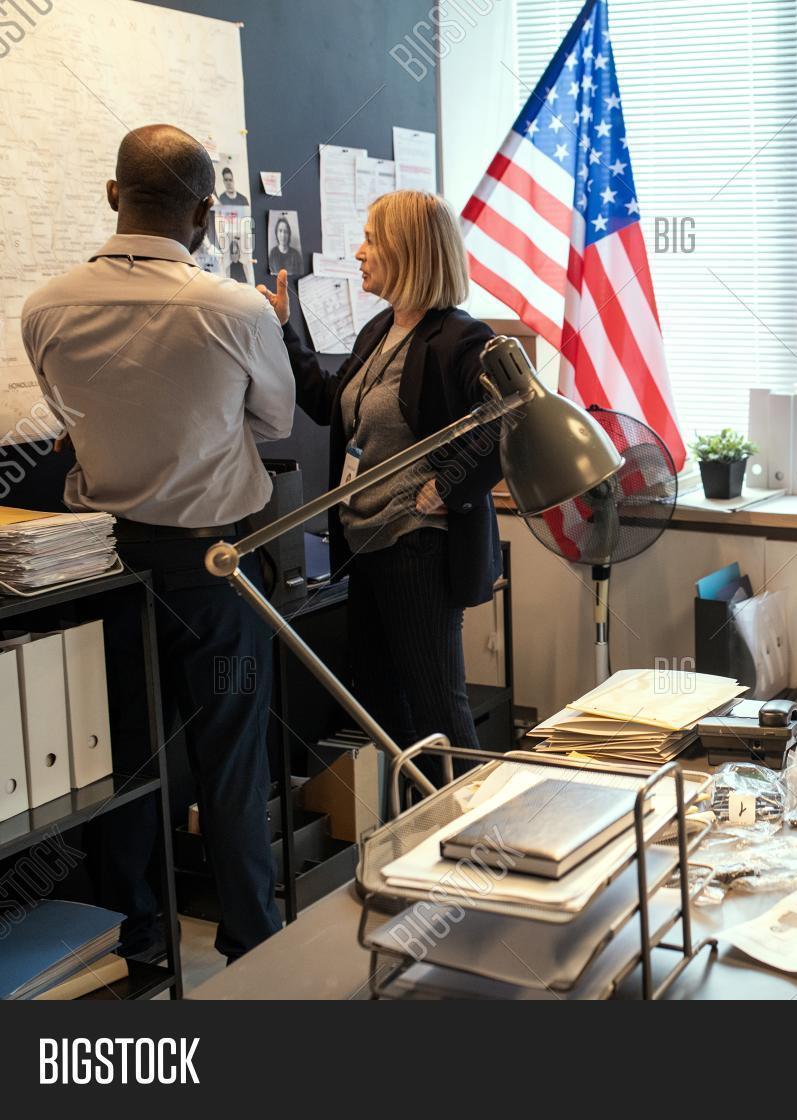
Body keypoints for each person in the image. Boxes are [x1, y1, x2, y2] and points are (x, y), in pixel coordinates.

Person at [21, 124, 294, 962]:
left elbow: (68, 421)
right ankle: (252, 941)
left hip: (109, 574)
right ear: (206, 212)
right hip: (216, 577)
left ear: (113, 195)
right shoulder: (239, 309)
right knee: (232, 757)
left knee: (127, 763)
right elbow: (275, 421)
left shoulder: (45, 308)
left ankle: (137, 940)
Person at [258, 190, 501, 789]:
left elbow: (508, 423)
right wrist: (285, 331)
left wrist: (449, 485)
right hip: (366, 544)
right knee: (380, 707)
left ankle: (479, 833)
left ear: (406, 249)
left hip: (417, 546)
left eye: (371, 238)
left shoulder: (461, 339)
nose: (359, 251)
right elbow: (328, 403)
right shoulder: (380, 329)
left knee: (439, 710)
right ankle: (428, 823)